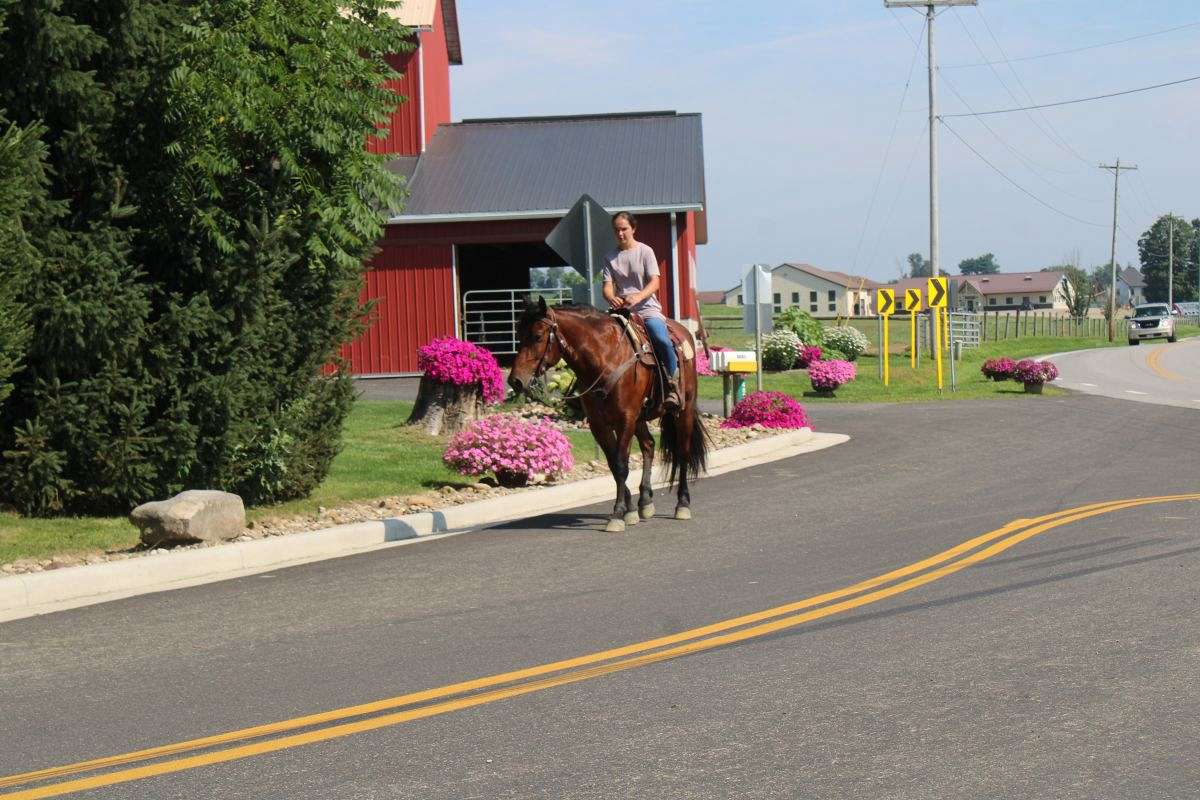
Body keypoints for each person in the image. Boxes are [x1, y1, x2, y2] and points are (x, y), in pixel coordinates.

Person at [601, 211, 681, 409]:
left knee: (660, 338)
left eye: (624, 229)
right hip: (621, 312)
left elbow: (655, 282)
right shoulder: (610, 257)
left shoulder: (645, 251)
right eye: (616, 230)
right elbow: (607, 286)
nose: (620, 233)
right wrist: (612, 297)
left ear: (633, 229)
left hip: (646, 309)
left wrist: (637, 296)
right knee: (598, 340)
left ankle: (673, 383)